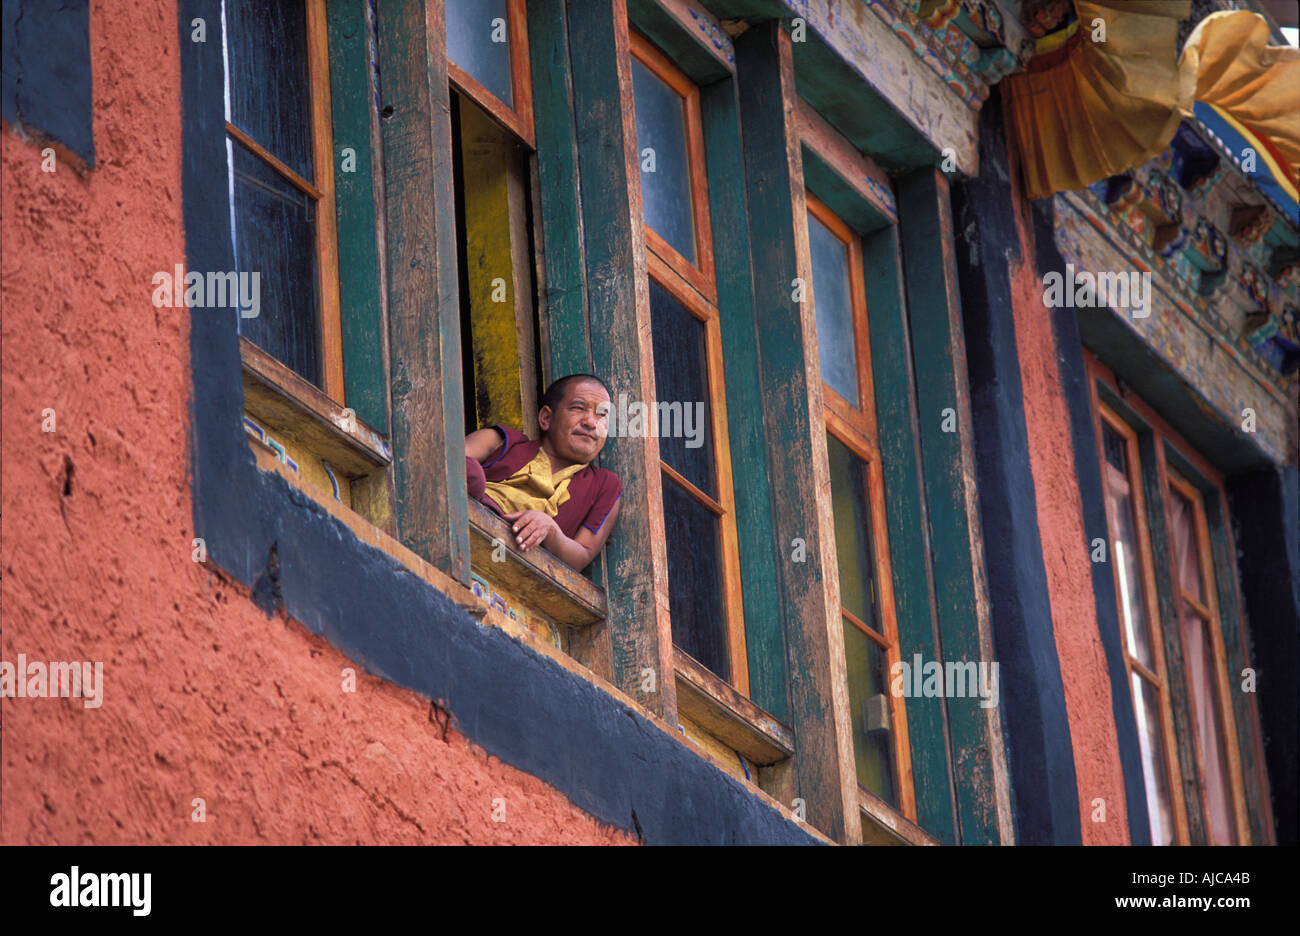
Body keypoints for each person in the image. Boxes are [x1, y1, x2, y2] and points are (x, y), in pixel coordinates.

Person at [465, 374, 621, 571]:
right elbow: (444, 462)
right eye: (578, 408)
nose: (591, 422)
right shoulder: (501, 442)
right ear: (546, 418)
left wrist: (551, 531)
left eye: (602, 415)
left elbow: (583, 554)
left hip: (515, 564)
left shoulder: (604, 485)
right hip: (470, 519)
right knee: (468, 472)